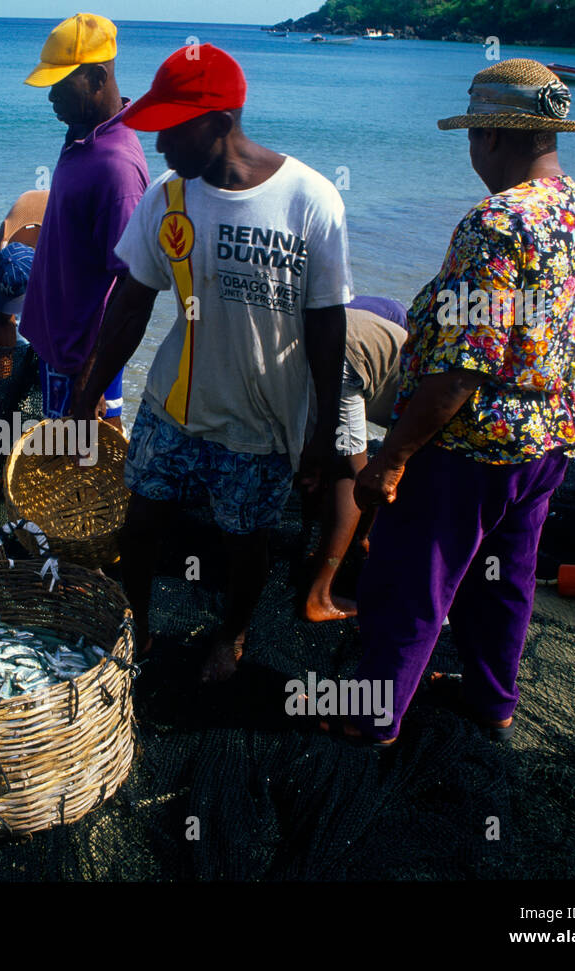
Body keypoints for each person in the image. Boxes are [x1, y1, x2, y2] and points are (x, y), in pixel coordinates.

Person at [341, 59, 575, 745]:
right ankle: (493, 699)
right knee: (505, 582)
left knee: (410, 583)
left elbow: (461, 370)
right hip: (548, 437)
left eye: (472, 135)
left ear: (493, 137)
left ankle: (371, 716)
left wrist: (393, 457)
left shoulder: (496, 223)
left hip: (471, 446)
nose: (470, 151)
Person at [74, 44, 350, 682]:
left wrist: (324, 431)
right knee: (140, 522)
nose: (161, 143)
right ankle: (136, 627)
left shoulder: (311, 199)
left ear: (220, 121)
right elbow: (132, 302)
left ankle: (234, 633)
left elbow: (326, 324)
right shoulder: (169, 198)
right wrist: (88, 389)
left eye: (173, 127)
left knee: (243, 542)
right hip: (171, 404)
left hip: (259, 423)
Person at [22, 13, 148, 428]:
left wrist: (93, 379)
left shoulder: (116, 167)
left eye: (61, 84)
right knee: (63, 474)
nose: (51, 96)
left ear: (97, 78)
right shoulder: (82, 135)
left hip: (81, 362)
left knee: (84, 482)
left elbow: (133, 286)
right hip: (60, 349)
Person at [302, 295, 407, 622]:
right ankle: (317, 598)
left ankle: (312, 545)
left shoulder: (393, 326)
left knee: (317, 458)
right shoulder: (439, 389)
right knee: (352, 474)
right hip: (344, 357)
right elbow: (379, 472)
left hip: (311, 344)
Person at [0, 189, 47, 380]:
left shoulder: (62, 258)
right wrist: (4, 383)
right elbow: (3, 322)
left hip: (58, 242)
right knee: (19, 345)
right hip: (28, 242)